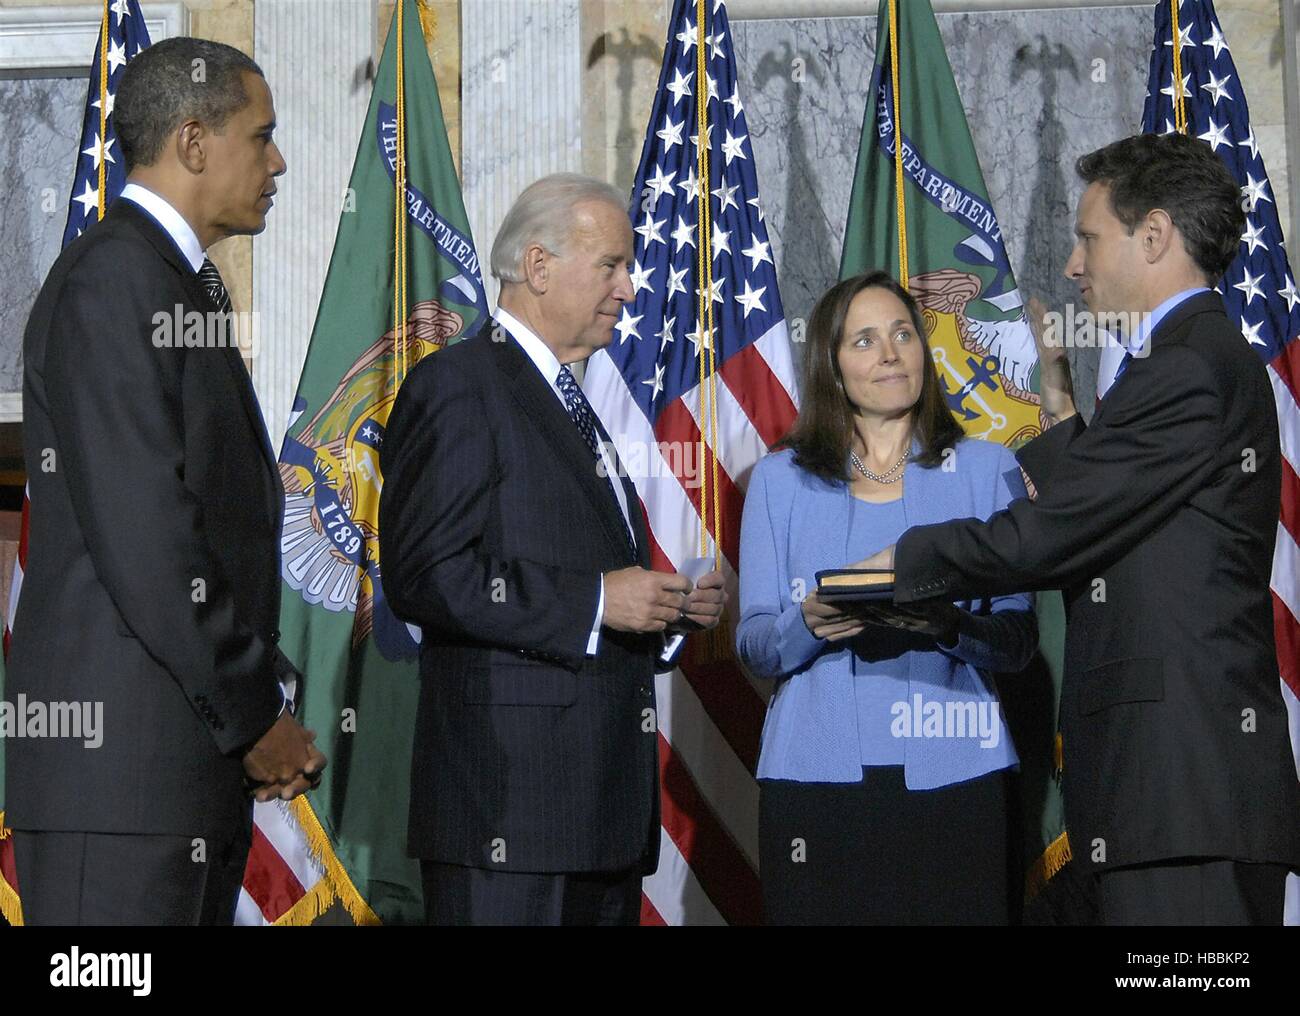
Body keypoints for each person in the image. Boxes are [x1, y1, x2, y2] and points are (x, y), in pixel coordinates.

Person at [867, 132, 1300, 924]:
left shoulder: (1189, 363)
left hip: (1181, 801)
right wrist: (1065, 412)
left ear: (1156, 234)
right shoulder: (1186, 356)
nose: (1073, 264)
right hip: (1153, 804)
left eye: (1089, 237)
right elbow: (1125, 512)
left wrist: (894, 562)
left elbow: (1056, 532)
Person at [6, 37, 322, 926]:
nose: (278, 160)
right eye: (261, 137)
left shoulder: (173, 283)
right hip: (118, 796)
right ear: (193, 142)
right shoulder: (116, 281)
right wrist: (254, 714)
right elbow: (151, 536)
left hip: (168, 785)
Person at [378, 173, 727, 926]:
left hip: (598, 816)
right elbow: (425, 575)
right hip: (507, 813)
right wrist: (602, 600)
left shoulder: (573, 404)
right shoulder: (459, 385)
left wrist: (664, 609)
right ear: (538, 267)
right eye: (612, 266)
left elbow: (572, 568)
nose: (630, 289)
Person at [736, 271, 1037, 925]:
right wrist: (808, 623)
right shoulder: (779, 480)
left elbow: (1018, 642)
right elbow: (756, 643)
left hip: (958, 780)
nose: (891, 353)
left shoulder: (987, 470)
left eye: (903, 333)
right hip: (814, 788)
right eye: (865, 340)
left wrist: (944, 624)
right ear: (831, 366)